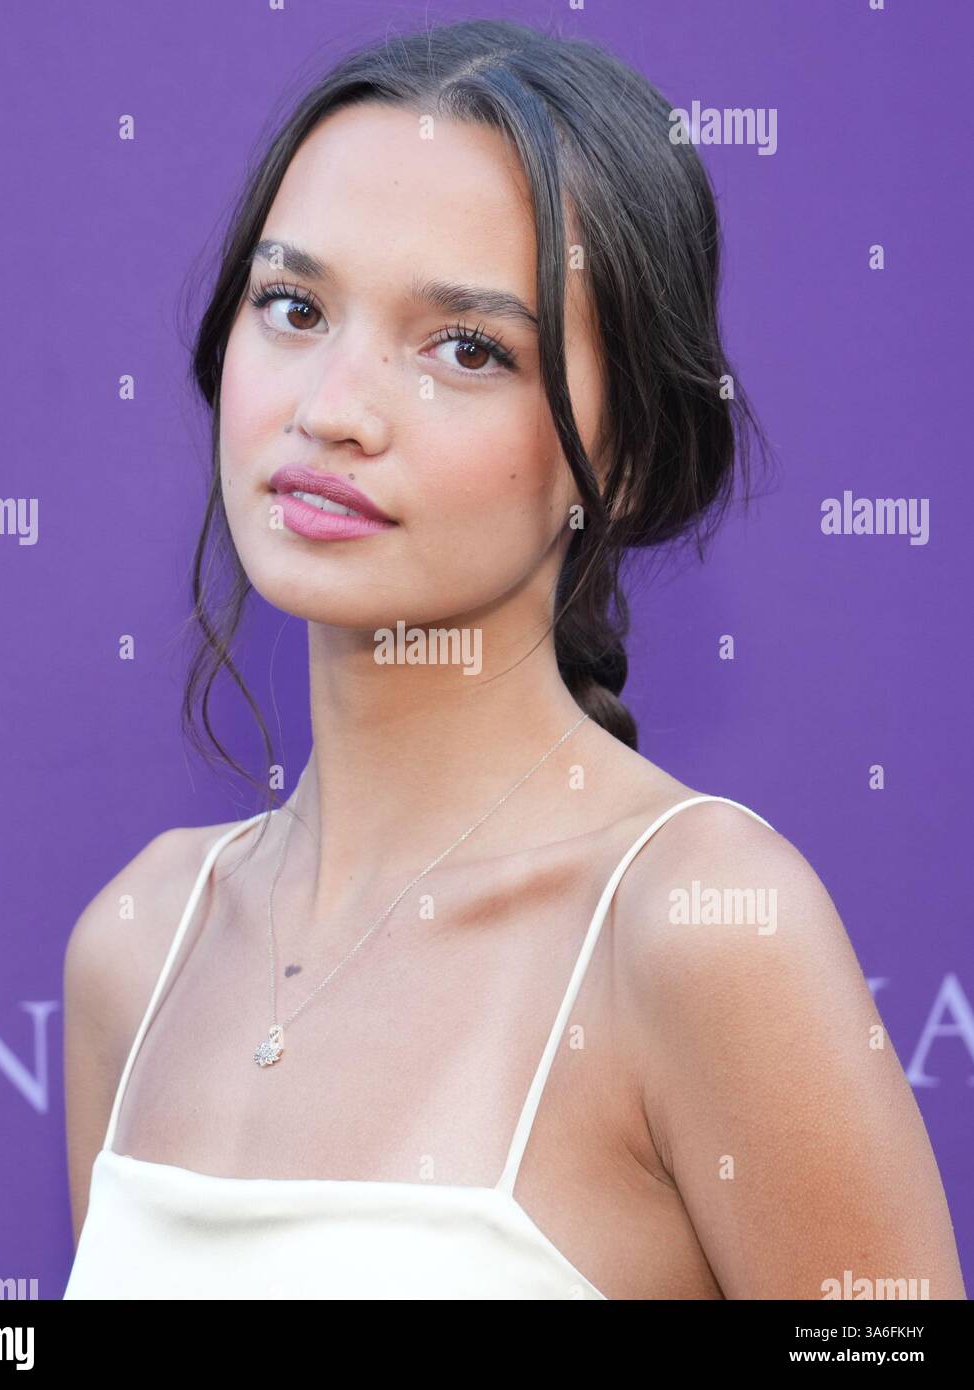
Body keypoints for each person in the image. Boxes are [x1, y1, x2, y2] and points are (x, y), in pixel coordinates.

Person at [61, 19, 965, 1299]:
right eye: (294, 307)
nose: (331, 407)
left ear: (629, 457)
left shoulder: (697, 930)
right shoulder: (138, 943)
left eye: (467, 349)